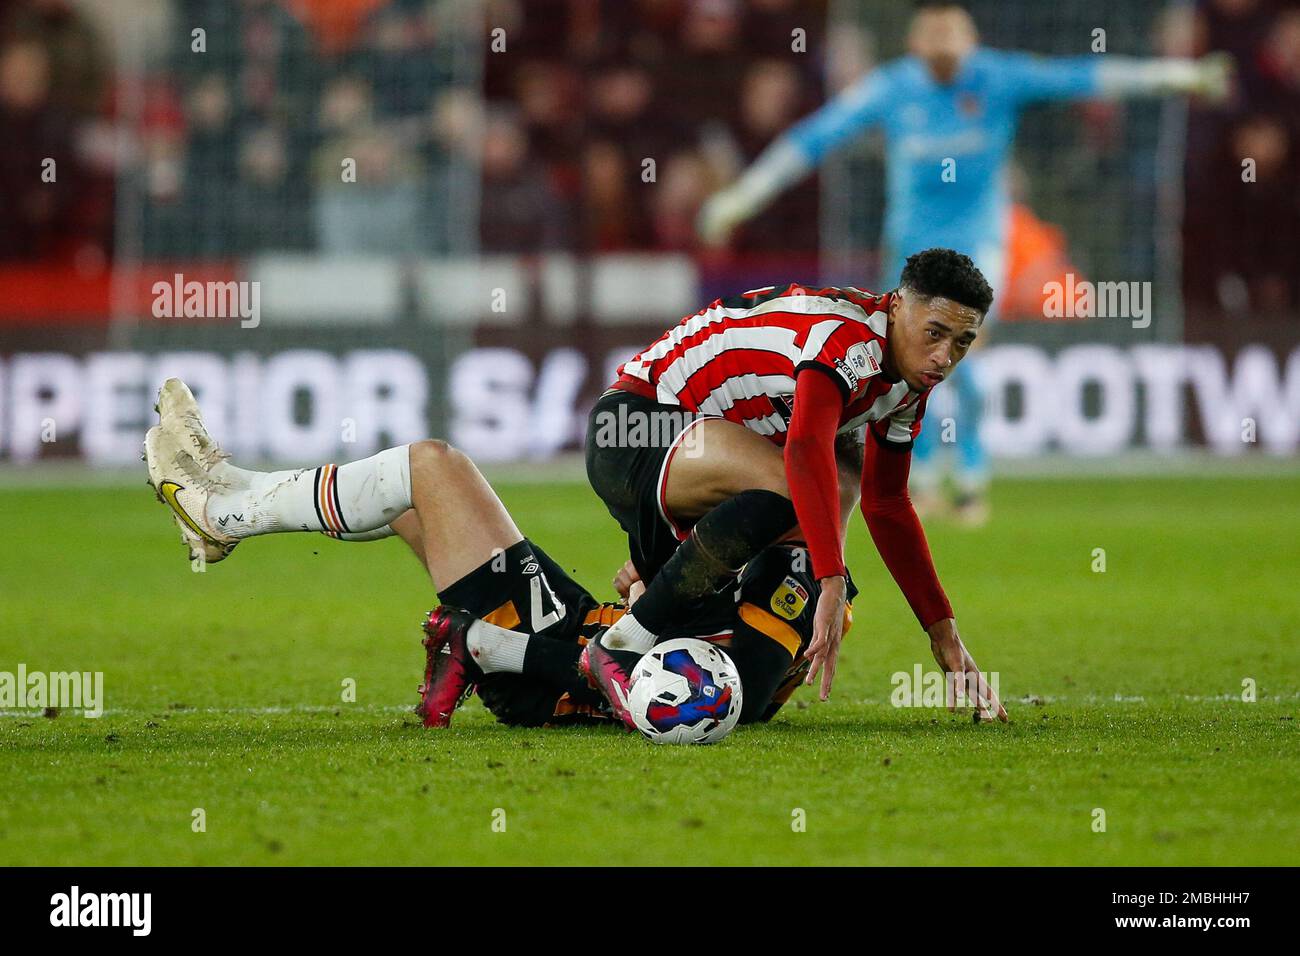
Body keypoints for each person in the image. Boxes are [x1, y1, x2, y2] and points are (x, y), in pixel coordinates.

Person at [143, 380, 935, 733]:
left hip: (553, 664)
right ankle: (238, 489)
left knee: (432, 467)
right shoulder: (805, 561)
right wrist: (660, 586)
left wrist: (504, 648)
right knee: (416, 496)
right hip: (573, 633)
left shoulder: (802, 569)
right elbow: (719, 636)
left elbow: (748, 690)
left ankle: (225, 512)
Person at [697, 0, 1232, 520]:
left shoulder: (998, 77)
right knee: (903, 375)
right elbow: (815, 138)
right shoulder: (894, 87)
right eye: (932, 40)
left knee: (964, 362)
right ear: (916, 43)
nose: (943, 52)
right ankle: (922, 481)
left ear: (969, 39)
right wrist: (742, 196)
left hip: (979, 247)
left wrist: (1182, 77)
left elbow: (1084, 76)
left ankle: (972, 478)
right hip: (909, 251)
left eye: (952, 38)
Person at [585, 247, 1005, 717]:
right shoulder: (846, 339)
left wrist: (942, 632)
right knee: (802, 489)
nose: (944, 358)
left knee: (744, 699)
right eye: (935, 333)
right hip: (635, 426)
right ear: (898, 306)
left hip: (706, 451)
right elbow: (804, 452)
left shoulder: (909, 383)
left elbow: (886, 504)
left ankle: (670, 597)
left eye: (962, 342)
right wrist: (831, 579)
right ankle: (621, 643)